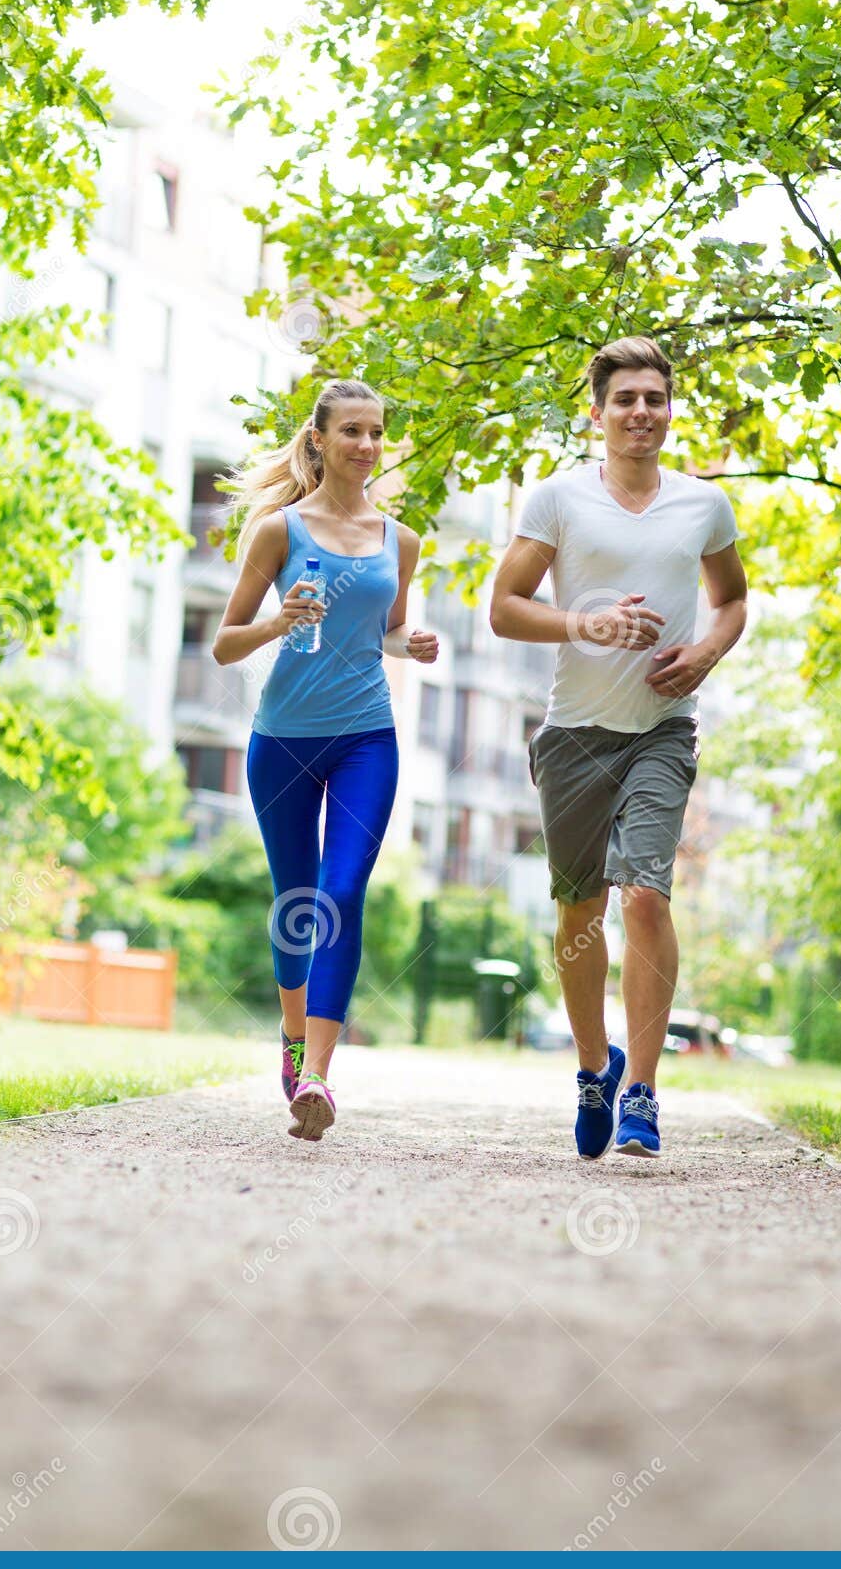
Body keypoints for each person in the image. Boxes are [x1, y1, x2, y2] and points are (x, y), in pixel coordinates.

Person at [490, 337, 748, 1159]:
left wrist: (705, 652)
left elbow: (732, 601)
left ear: (669, 410)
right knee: (579, 910)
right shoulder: (558, 500)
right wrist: (584, 624)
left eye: (655, 398)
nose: (642, 412)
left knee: (643, 895)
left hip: (662, 732)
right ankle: (593, 1070)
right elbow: (502, 606)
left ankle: (641, 1090)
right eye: (626, 399)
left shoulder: (702, 505)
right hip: (573, 733)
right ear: (596, 413)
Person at [213, 379, 438, 1142]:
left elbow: (390, 633)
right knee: (297, 897)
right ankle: (290, 1032)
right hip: (281, 740)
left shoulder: (400, 540)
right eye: (352, 432)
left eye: (377, 432)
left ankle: (317, 1076)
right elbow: (223, 642)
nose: (367, 446)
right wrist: (280, 619)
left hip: (366, 737)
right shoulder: (278, 530)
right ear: (318, 440)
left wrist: (416, 643)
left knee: (342, 892)